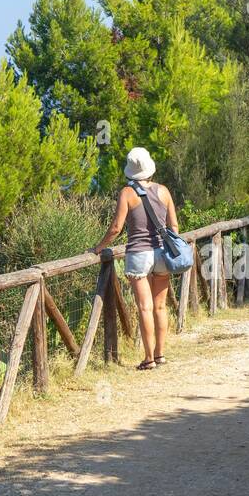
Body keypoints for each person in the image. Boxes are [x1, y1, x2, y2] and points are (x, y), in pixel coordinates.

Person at [88, 147, 179, 371]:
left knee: (144, 308)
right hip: (161, 253)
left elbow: (116, 228)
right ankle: (160, 354)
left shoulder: (127, 193)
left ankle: (148, 359)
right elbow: (174, 226)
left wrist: (99, 247)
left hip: (139, 253)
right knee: (160, 307)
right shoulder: (164, 191)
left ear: (131, 171)